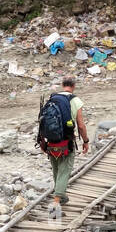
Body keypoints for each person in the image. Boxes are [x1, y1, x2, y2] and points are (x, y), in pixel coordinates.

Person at [37, 76, 88, 211]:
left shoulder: (52, 99)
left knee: (57, 169)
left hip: (51, 141)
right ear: (74, 86)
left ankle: (62, 196)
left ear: (62, 84)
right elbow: (81, 125)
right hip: (66, 141)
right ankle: (56, 201)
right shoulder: (75, 100)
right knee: (65, 170)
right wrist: (86, 141)